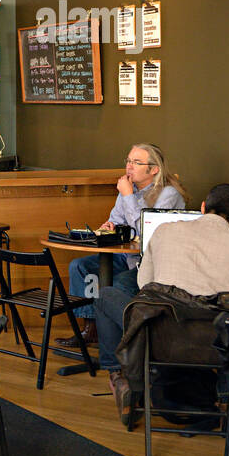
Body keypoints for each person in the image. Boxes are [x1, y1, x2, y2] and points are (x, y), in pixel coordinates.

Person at [95, 183, 229, 421]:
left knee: (105, 296)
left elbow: (145, 285)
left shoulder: (164, 231)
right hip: (217, 348)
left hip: (159, 340)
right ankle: (226, 396)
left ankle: (121, 378)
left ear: (203, 207)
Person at [59, 142, 188, 347]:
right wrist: (110, 226)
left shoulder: (168, 194)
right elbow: (117, 219)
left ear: (154, 169)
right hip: (124, 256)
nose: (129, 166)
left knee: (117, 283)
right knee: (80, 267)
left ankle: (126, 338)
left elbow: (147, 232)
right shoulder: (128, 188)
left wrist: (128, 196)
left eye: (136, 162)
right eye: (128, 161)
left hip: (149, 263)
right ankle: (90, 329)